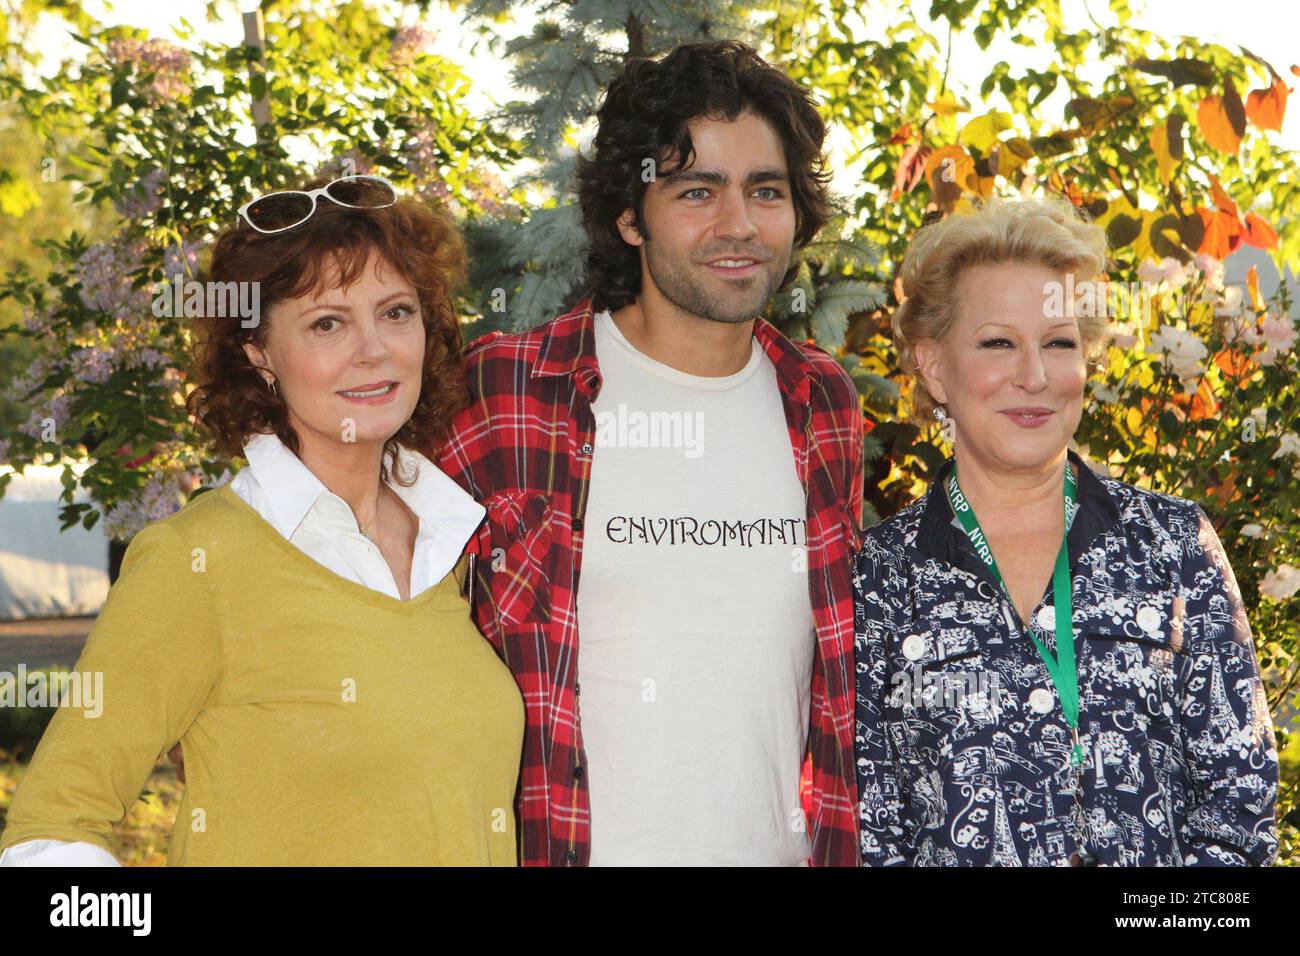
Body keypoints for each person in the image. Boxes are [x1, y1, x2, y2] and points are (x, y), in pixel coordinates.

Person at [0, 176, 524, 866]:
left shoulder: (447, 544)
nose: (374, 348)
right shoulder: (198, 559)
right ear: (260, 355)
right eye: (327, 323)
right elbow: (48, 830)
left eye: (396, 312)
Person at [435, 40, 864, 866]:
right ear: (629, 217)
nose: (738, 224)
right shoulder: (507, 394)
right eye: (696, 190)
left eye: (765, 190)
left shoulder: (822, 404)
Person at [853, 196, 1279, 866]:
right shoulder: (878, 575)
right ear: (934, 366)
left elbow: (1240, 811)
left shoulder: (1173, 546)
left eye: (1058, 343)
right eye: (998, 343)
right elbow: (869, 830)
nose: (1034, 376)